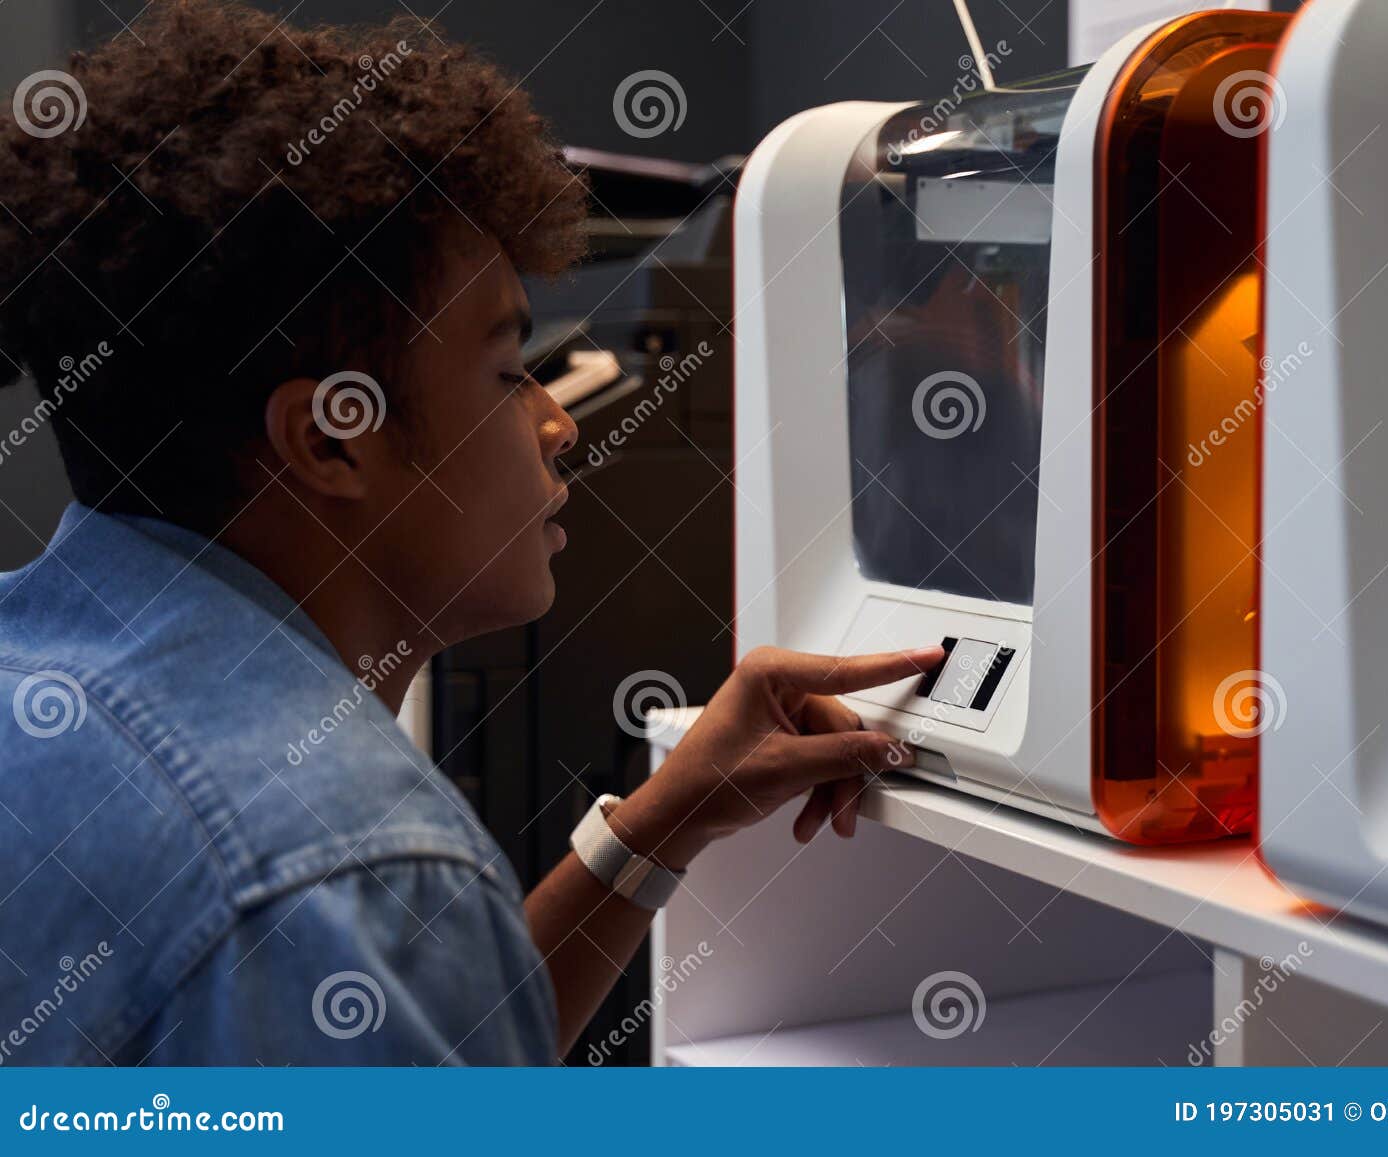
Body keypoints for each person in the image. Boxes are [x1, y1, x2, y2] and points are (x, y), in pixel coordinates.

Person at [0, 0, 943, 1064]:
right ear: (334, 439)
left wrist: (656, 825)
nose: (553, 419)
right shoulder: (345, 862)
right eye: (507, 371)